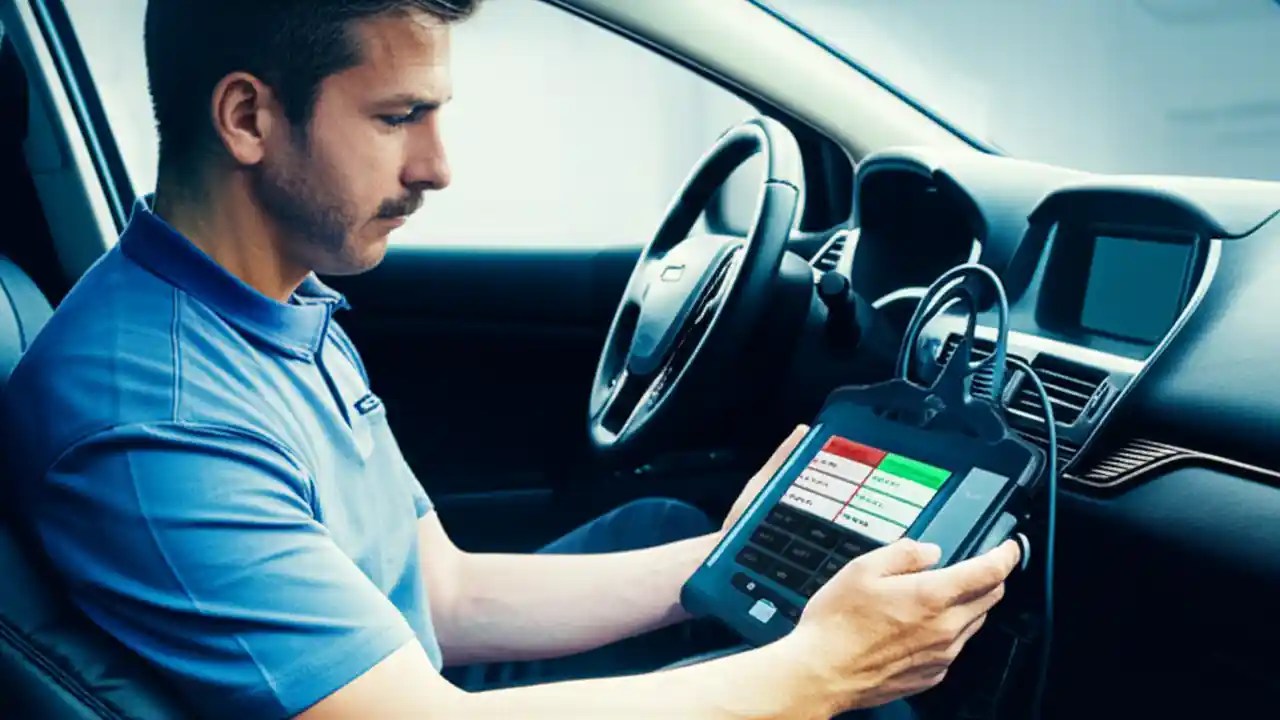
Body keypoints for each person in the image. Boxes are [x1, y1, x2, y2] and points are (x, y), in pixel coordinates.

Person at [0, 1, 1021, 718]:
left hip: (398, 679)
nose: (438, 165)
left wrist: (750, 555)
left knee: (686, 541)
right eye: (398, 117)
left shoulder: (268, 306)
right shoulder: (158, 419)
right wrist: (821, 670)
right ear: (247, 118)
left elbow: (435, 590)